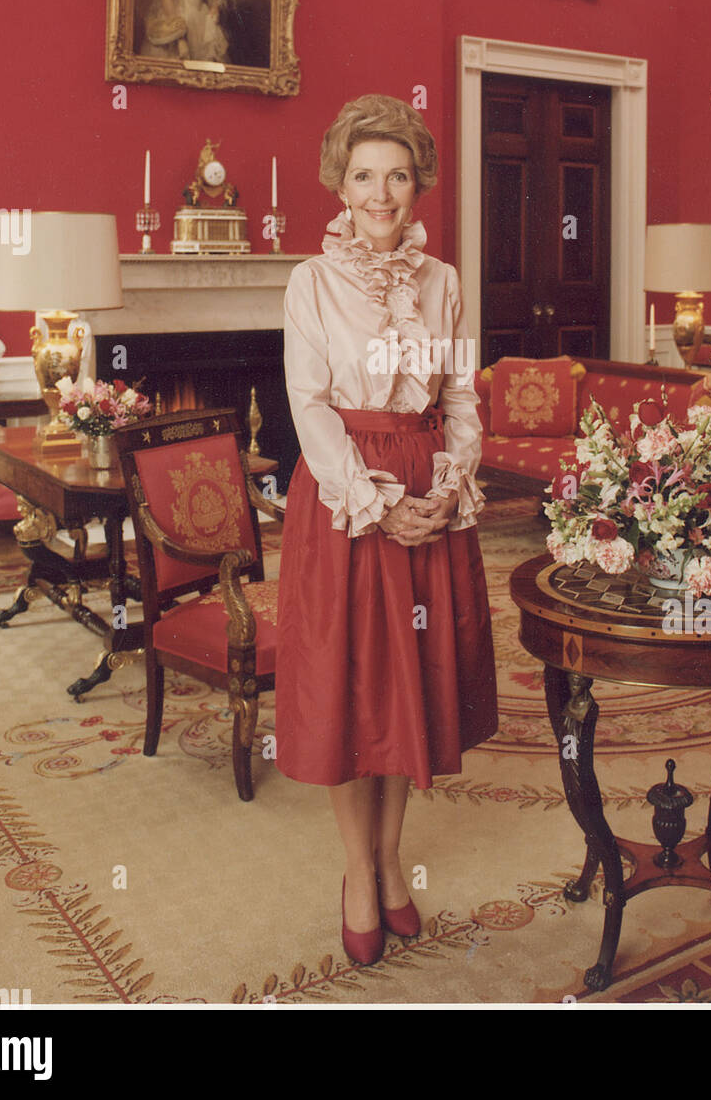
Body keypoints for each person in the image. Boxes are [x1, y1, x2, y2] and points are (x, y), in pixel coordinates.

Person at [276, 94, 498, 967]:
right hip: (347, 500)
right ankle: (356, 871)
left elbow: (459, 397)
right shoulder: (310, 281)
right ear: (341, 182)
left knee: (414, 691)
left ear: (419, 184)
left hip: (428, 489)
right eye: (364, 175)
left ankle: (393, 861)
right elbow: (307, 403)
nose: (381, 192)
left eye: (397, 175)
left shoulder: (443, 282)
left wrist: (448, 484)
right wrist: (375, 502)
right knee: (352, 687)